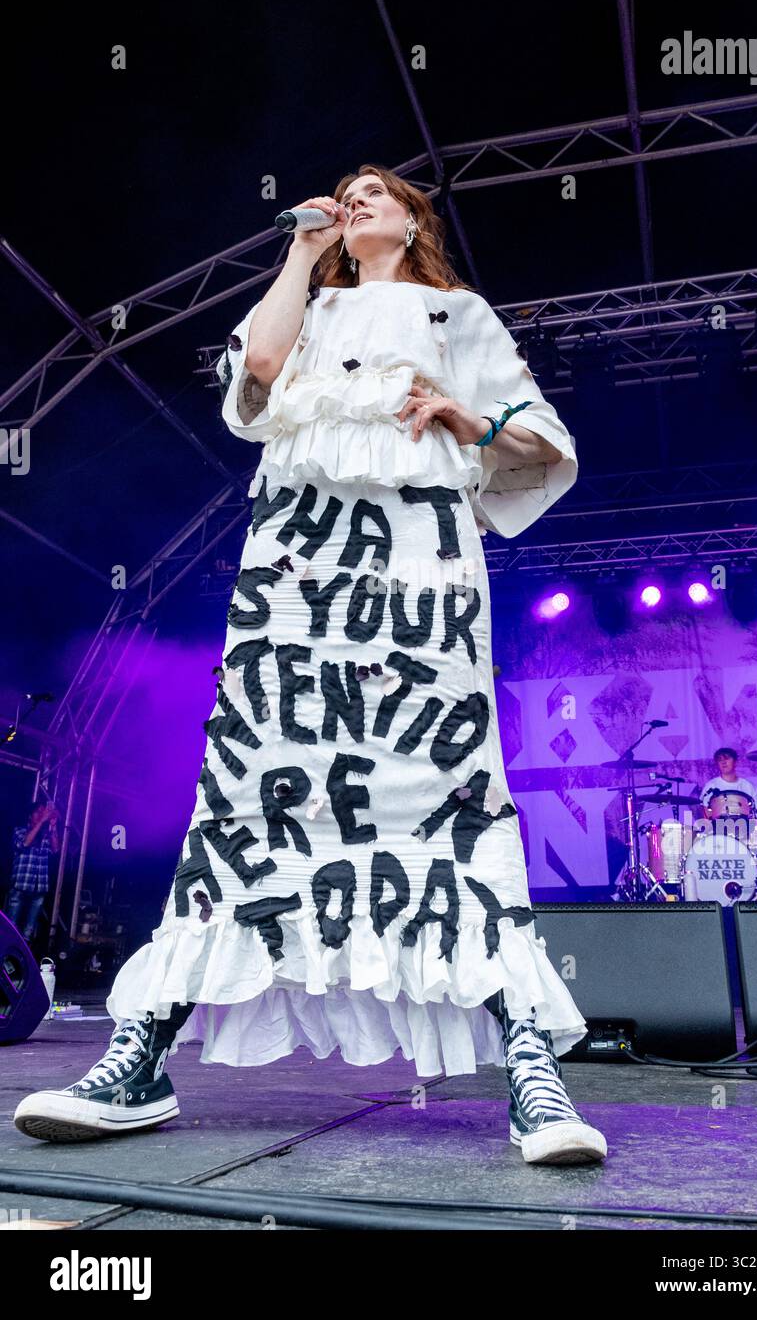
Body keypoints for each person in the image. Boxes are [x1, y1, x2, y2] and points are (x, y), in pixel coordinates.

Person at [14, 165, 607, 1168]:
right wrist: (299, 249)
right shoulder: (315, 297)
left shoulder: (452, 313)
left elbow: (545, 442)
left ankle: (529, 1068)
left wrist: (467, 421)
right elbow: (257, 371)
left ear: (417, 217)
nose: (361, 195)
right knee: (246, 797)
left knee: (448, 794)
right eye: (350, 189)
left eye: (382, 189)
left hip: (416, 582)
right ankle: (142, 1055)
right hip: (296, 576)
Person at [4, 799, 59, 946]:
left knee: (29, 931)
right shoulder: (20, 830)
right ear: (30, 816)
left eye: (43, 812)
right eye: (38, 812)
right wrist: (42, 822)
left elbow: (55, 849)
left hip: (39, 887)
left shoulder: (45, 835)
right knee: (11, 928)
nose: (42, 815)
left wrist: (53, 827)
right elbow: (25, 843)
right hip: (20, 885)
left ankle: (25, 954)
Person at [698, 747, 757, 818]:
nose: (723, 762)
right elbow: (706, 813)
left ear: (735, 762)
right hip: (719, 826)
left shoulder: (748, 786)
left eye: (727, 758)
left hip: (745, 826)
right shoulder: (711, 786)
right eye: (720, 760)